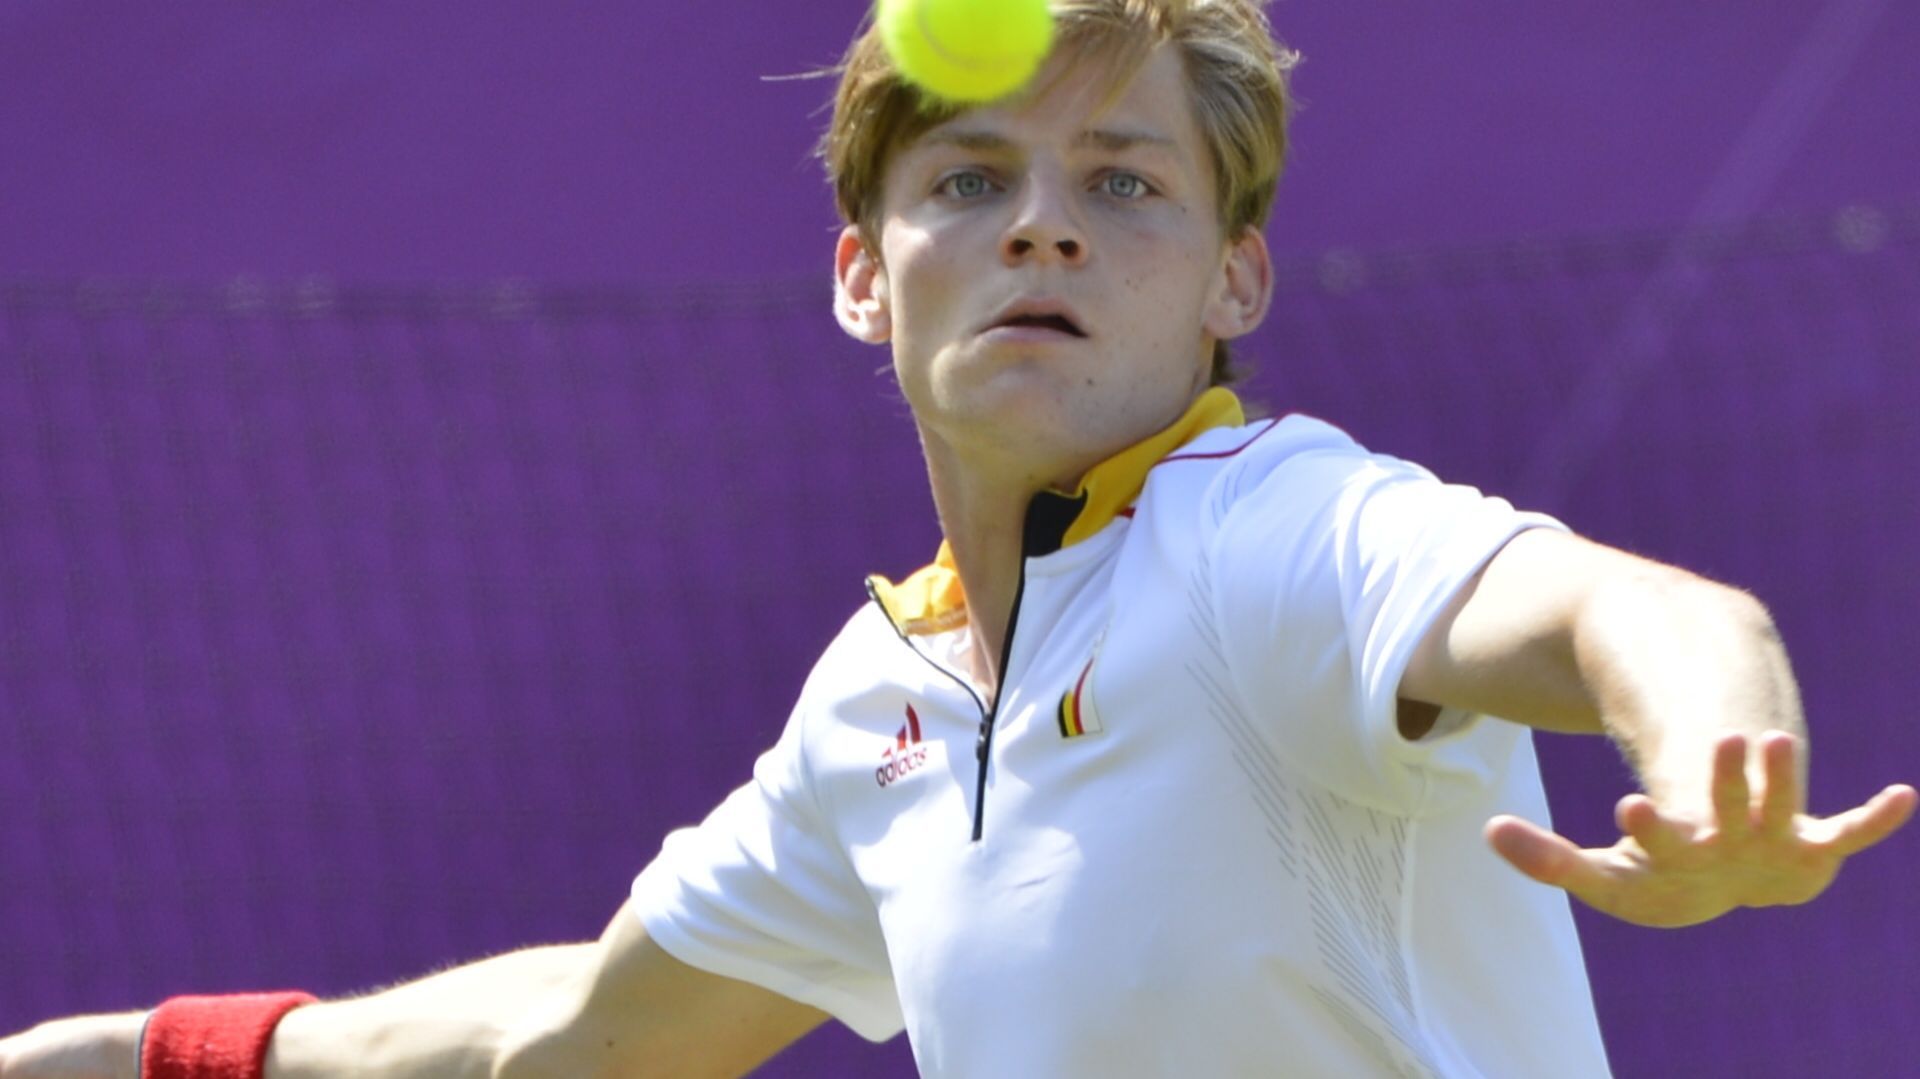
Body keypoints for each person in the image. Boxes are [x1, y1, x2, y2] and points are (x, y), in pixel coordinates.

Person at [4, 1, 1913, 1076]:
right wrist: (158, 1055)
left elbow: (1642, 612)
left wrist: (1714, 772)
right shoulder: (883, 711)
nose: (1044, 224)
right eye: (973, 179)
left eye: (1125, 183)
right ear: (865, 275)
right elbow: (566, 1042)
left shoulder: (1269, 532)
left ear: (1234, 278)